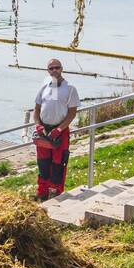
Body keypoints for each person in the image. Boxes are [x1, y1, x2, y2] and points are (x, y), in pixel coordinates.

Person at [33, 59, 79, 201]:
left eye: (57, 67)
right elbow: (37, 109)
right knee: (43, 163)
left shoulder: (70, 88)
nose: (54, 70)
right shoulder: (45, 87)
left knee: (58, 163)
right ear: (48, 70)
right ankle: (42, 193)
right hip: (44, 131)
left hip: (61, 131)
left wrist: (59, 129)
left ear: (61, 69)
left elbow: (72, 113)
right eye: (51, 68)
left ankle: (55, 193)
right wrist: (38, 125)